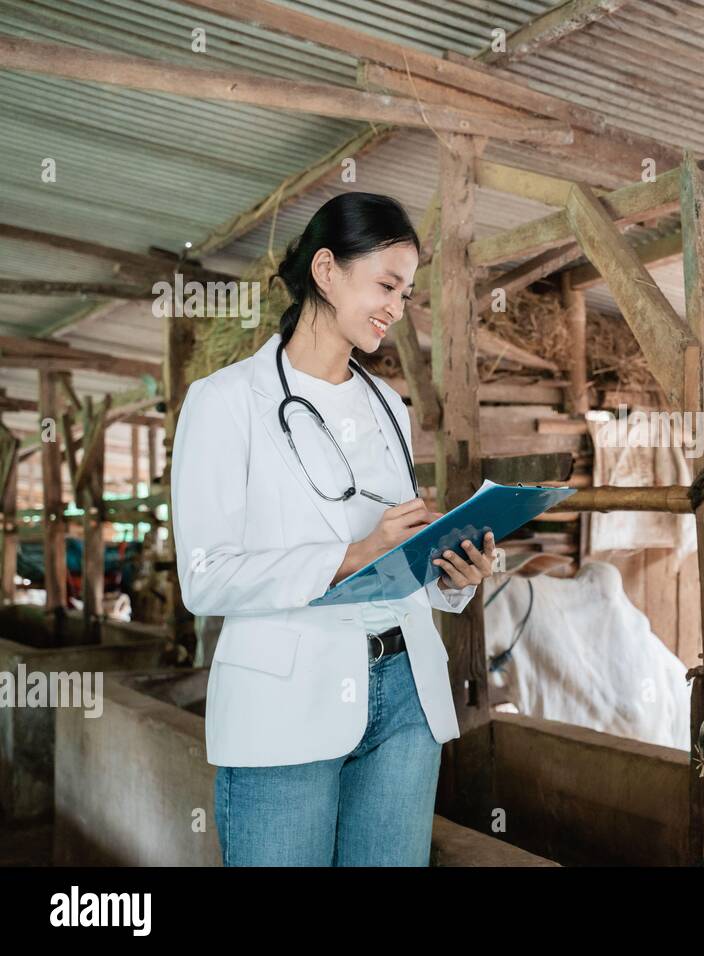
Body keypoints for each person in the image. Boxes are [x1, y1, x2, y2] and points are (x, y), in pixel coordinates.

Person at [170, 192, 497, 866]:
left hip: (405, 694)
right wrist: (349, 554)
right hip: (287, 699)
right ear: (326, 270)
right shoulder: (226, 402)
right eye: (385, 284)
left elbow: (395, 557)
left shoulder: (389, 406)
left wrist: (452, 578)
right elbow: (205, 577)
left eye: (406, 294)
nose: (396, 308)